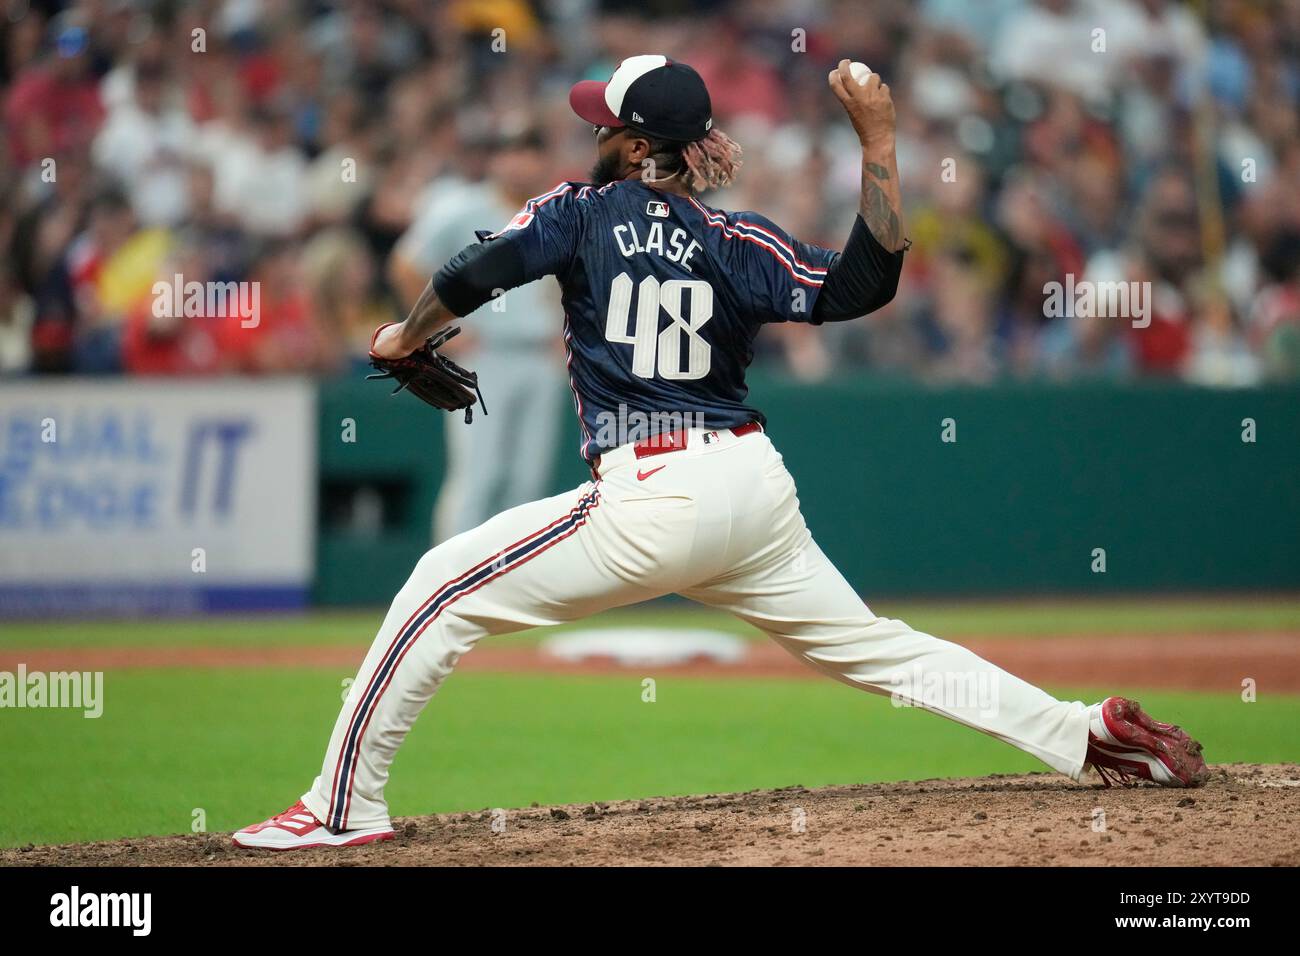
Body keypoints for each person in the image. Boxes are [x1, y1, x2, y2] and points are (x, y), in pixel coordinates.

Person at [234, 56, 1206, 850]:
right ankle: (1083, 734)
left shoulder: (580, 209)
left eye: (601, 122)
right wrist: (878, 143)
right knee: (882, 649)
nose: (591, 133)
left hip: (652, 492)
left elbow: (472, 269)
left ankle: (339, 806)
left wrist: (407, 334)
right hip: (753, 491)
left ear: (625, 140)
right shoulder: (738, 237)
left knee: (439, 587)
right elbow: (860, 286)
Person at [389, 126, 565, 543]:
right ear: (494, 159)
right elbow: (404, 265)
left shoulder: (556, 211)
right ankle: (447, 583)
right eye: (510, 150)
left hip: (541, 354)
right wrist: (441, 327)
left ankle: (511, 581)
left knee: (529, 480)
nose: (520, 161)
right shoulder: (462, 208)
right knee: (478, 475)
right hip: (484, 355)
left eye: (529, 150)